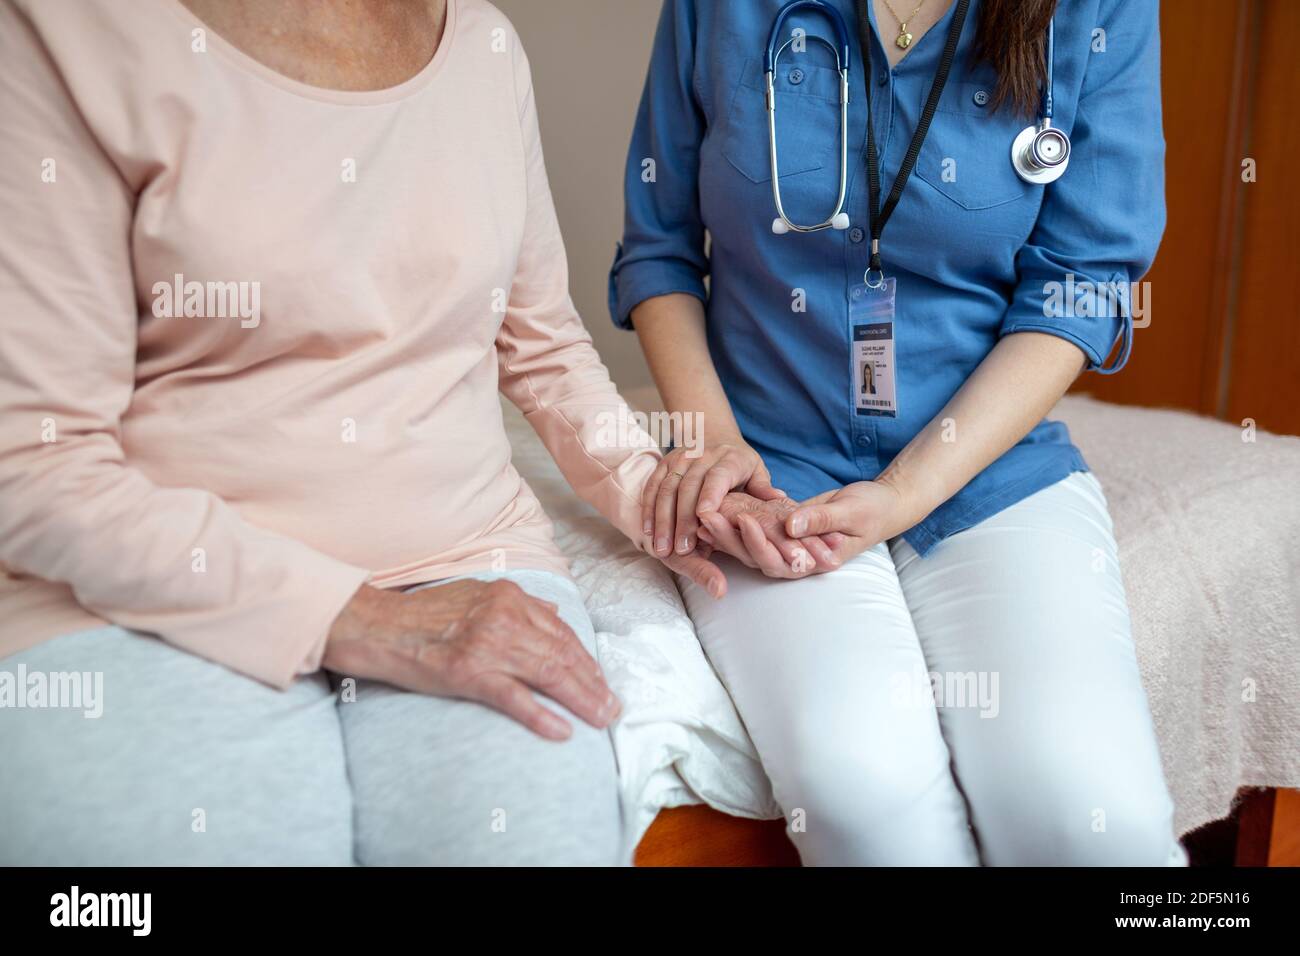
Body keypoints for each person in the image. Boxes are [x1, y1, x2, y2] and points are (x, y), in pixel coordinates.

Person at [0, 0, 720, 865]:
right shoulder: (64, 31)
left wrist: (656, 490)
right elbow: (35, 464)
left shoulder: (484, 44)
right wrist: (360, 618)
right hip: (151, 597)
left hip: (467, 558)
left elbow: (540, 345)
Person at [612, 0, 1184, 865]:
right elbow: (657, 248)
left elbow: (1082, 282)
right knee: (862, 790)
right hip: (772, 475)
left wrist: (907, 491)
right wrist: (712, 447)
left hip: (986, 469)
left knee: (1094, 818)